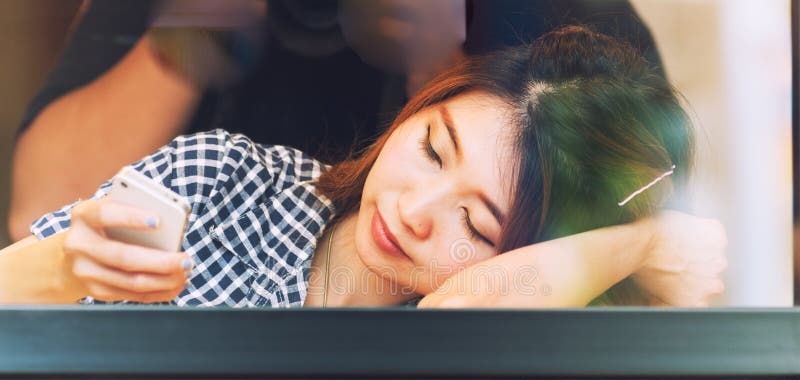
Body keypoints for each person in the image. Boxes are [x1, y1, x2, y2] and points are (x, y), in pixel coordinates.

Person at [0, 26, 726, 380]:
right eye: (434, 150)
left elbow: (464, 320)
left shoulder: (487, 358)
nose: (414, 211)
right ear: (417, 108)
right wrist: (65, 266)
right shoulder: (225, 179)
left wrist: (641, 239)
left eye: (475, 225)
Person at [8, 0, 664, 242]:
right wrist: (195, 34)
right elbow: (38, 214)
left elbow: (625, 258)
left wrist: (443, 65)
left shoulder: (563, 29)